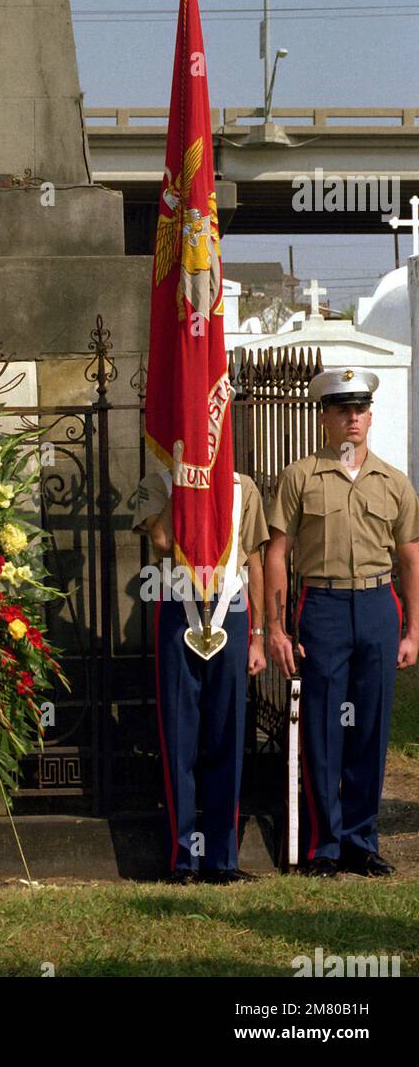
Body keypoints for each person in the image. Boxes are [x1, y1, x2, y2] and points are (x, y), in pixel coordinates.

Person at [265, 367, 419, 878]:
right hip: (323, 607)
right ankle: (323, 845)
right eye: (341, 409)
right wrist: (277, 628)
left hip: (377, 605)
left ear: (371, 416)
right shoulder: (300, 476)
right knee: (322, 725)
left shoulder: (395, 483)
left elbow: (411, 557)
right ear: (325, 418)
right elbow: (277, 554)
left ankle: (361, 840)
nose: (351, 418)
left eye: (359, 409)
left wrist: (413, 629)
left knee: (370, 727)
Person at [134, 467, 268, 883]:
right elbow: (162, 541)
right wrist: (184, 481)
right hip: (179, 608)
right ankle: (184, 858)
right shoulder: (158, 479)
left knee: (227, 735)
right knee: (181, 737)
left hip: (232, 609)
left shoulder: (242, 486)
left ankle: (223, 858)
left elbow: (254, 560)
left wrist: (260, 635)